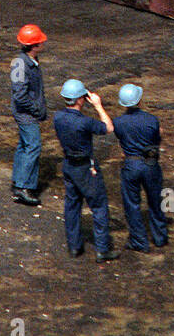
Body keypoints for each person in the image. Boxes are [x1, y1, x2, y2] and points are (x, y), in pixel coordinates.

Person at [53, 79, 117, 261]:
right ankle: (102, 250)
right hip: (86, 168)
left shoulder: (58, 117)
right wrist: (98, 105)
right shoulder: (85, 122)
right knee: (98, 206)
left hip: (68, 165)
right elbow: (108, 128)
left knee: (72, 205)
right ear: (81, 99)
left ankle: (74, 247)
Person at [113, 83, 168, 253]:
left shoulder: (118, 122)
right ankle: (160, 237)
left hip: (131, 164)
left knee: (132, 203)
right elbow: (156, 139)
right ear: (139, 100)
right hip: (150, 163)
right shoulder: (152, 120)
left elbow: (121, 139)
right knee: (156, 200)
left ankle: (139, 241)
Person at [10, 23, 48, 207]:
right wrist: (36, 109)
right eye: (40, 42)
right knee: (33, 146)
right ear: (34, 46)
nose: (43, 44)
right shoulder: (20, 64)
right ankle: (23, 188)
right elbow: (20, 96)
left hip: (26, 112)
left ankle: (18, 181)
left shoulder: (29, 60)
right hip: (26, 114)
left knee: (24, 146)